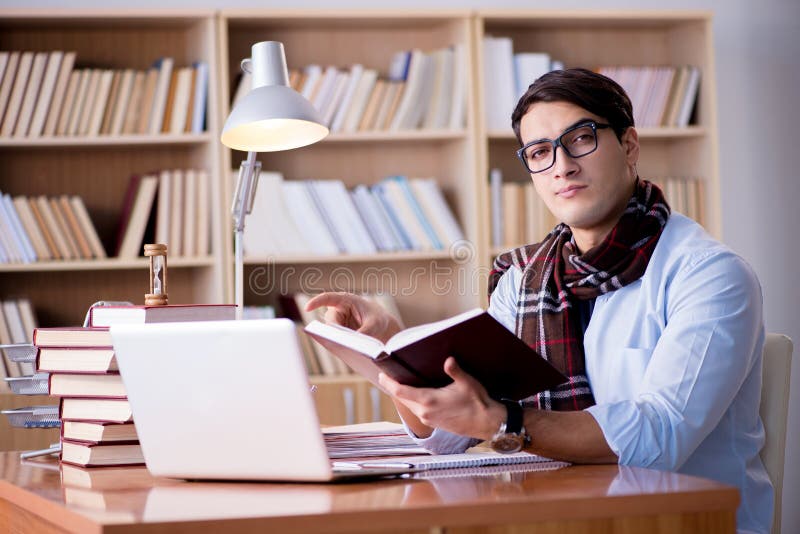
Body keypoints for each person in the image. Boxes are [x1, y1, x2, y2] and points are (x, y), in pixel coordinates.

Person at [306, 68, 771, 534]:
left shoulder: (710, 274)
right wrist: (394, 347)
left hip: (685, 524)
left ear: (629, 146)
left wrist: (505, 421)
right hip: (557, 517)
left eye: (581, 138)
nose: (562, 166)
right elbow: (447, 436)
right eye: (540, 152)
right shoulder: (524, 281)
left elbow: (658, 436)